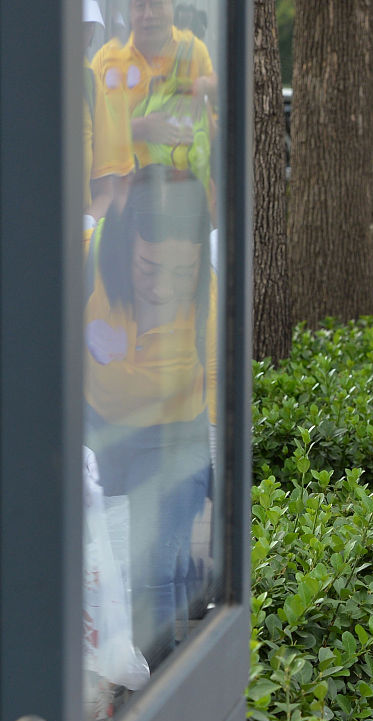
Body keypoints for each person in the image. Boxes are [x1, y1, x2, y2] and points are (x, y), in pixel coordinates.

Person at [84, 165, 216, 669]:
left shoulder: (207, 292)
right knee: (108, 565)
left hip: (172, 437)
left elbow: (220, 385)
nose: (163, 288)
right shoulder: (86, 261)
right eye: (148, 266)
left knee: (151, 570)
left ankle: (161, 688)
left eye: (181, 272)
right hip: (99, 435)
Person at [90, 0, 217, 200]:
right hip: (128, 203)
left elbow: (223, 94)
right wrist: (141, 128)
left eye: (156, 4)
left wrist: (205, 85)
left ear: (171, 6)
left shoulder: (193, 49)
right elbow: (88, 135)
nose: (148, 14)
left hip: (191, 200)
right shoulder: (106, 60)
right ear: (130, 11)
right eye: (140, 6)